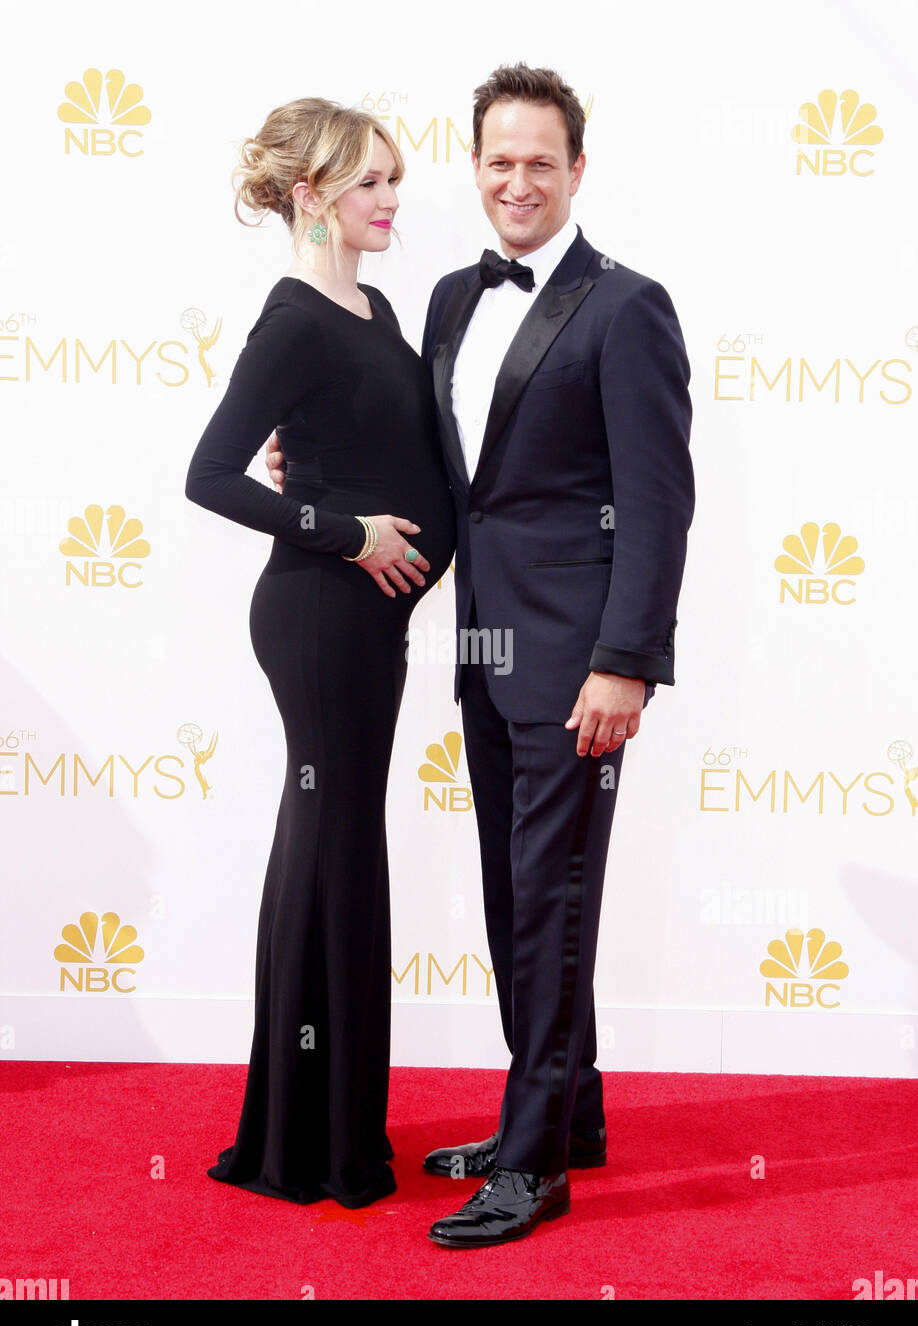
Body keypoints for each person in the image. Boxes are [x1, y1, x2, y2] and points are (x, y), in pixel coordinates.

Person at [268, 63, 694, 1247]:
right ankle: (567, 1118)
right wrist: (317, 483)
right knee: (522, 895)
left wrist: (627, 659)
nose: (518, 180)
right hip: (483, 645)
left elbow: (660, 504)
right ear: (477, 166)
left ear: (577, 171)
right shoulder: (451, 299)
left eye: (540, 162)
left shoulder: (627, 307)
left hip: (579, 665)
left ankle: (532, 1163)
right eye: (498, 161)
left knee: (549, 901)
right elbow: (443, 475)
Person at [185, 97, 455, 1209]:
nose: (392, 200)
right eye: (370, 184)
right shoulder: (295, 316)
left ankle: (314, 1126)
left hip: (366, 622)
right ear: (312, 197)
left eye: (395, 180)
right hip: (317, 618)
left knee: (331, 843)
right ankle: (319, 1144)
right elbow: (210, 474)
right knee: (336, 845)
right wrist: (344, 534)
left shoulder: (376, 305)